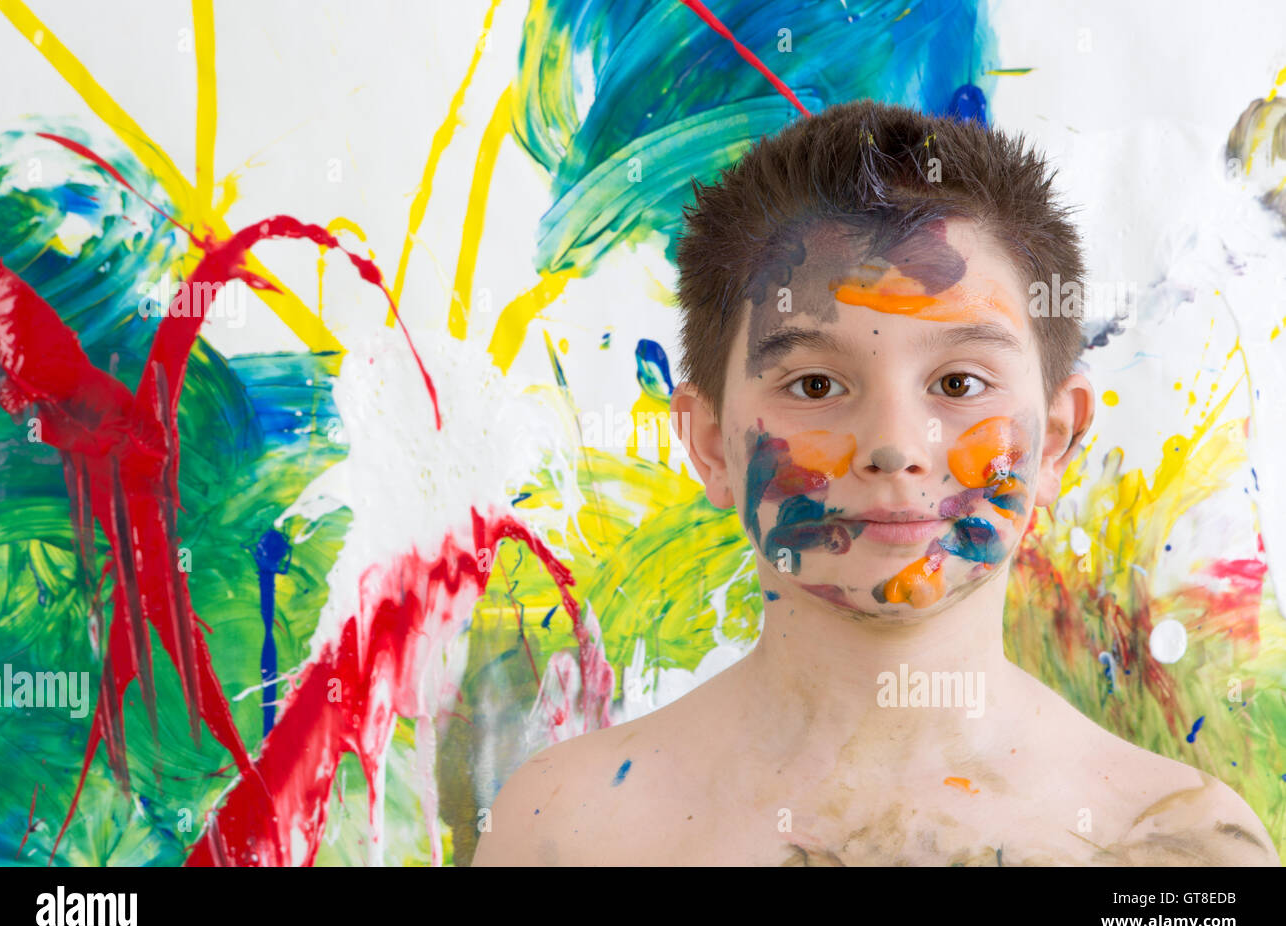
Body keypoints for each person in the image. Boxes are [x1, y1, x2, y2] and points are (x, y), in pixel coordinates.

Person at [472, 99, 1278, 865]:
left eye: (959, 385)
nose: (894, 447)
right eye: (816, 386)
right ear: (712, 445)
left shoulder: (1176, 850)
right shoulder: (571, 833)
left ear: (1057, 441)